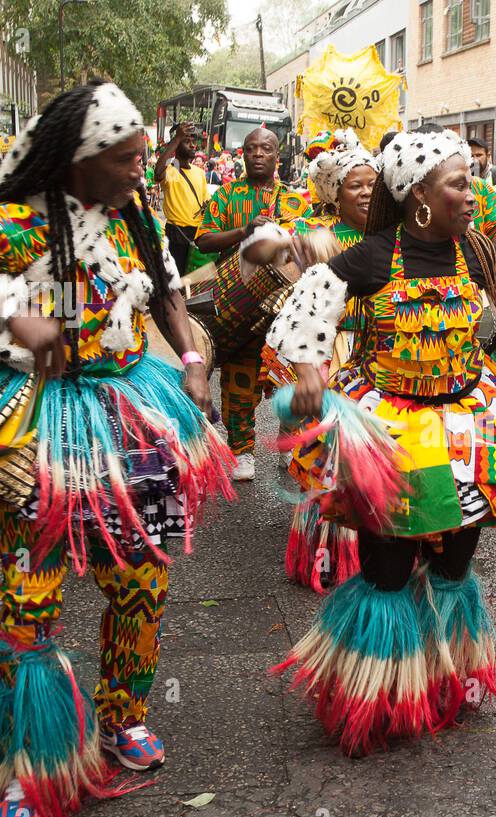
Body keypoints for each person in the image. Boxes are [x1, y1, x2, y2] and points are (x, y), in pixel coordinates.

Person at [0, 80, 233, 817]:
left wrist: (193, 365)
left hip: (133, 417)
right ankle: (30, 768)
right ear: (78, 158)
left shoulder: (135, 214)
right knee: (31, 603)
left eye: (144, 154)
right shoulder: (12, 225)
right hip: (47, 431)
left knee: (141, 579)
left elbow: (170, 296)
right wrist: (7, 312)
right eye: (127, 156)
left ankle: (121, 719)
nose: (143, 167)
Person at [264, 129, 496, 756]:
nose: (474, 195)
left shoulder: (478, 253)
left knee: (455, 561)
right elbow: (307, 303)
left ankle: (442, 672)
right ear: (419, 199)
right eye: (460, 183)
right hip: (394, 431)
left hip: (468, 426)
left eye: (472, 181)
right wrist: (307, 371)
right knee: (388, 568)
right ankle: (378, 689)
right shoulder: (375, 256)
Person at [246, 130, 377, 592]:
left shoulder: (389, 236)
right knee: (328, 456)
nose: (364, 192)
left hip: (375, 354)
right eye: (353, 185)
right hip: (330, 352)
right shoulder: (318, 236)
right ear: (334, 192)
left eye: (371, 183)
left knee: (368, 458)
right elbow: (265, 255)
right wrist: (288, 246)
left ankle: (372, 547)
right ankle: (325, 552)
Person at [194, 124, 310, 481]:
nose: (258, 154)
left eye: (266, 149)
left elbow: (305, 244)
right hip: (238, 304)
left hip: (285, 307)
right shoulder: (227, 196)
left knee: (291, 379)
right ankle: (241, 450)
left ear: (278, 156)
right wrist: (244, 232)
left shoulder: (295, 199)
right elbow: (204, 240)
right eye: (251, 149)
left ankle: (290, 443)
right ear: (242, 154)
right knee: (238, 382)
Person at [153, 121, 209, 276]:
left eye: (193, 142)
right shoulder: (172, 169)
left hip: (196, 235)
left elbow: (206, 202)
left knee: (193, 279)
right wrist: (176, 139)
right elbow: (158, 173)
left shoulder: (200, 173)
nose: (192, 145)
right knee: (175, 279)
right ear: (176, 145)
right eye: (186, 141)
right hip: (177, 234)